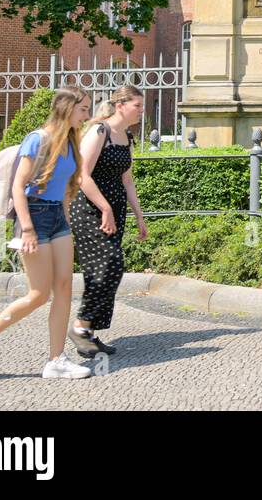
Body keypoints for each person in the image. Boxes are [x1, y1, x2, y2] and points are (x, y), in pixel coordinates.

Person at [0, 86, 94, 379]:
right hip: (32, 217)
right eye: (83, 109)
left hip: (58, 218)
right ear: (66, 108)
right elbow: (17, 187)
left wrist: (67, 222)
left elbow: (64, 188)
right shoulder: (36, 139)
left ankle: (56, 361)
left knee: (64, 289)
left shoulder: (71, 142)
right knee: (37, 295)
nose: (87, 115)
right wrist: (29, 230)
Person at [69, 84, 148, 358]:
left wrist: (139, 216)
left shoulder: (126, 136)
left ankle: (88, 332)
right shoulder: (99, 131)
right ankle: (80, 325)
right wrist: (105, 208)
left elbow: (127, 179)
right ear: (121, 106)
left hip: (114, 211)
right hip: (91, 209)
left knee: (100, 271)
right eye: (137, 105)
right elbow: (82, 175)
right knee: (111, 264)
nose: (141, 110)